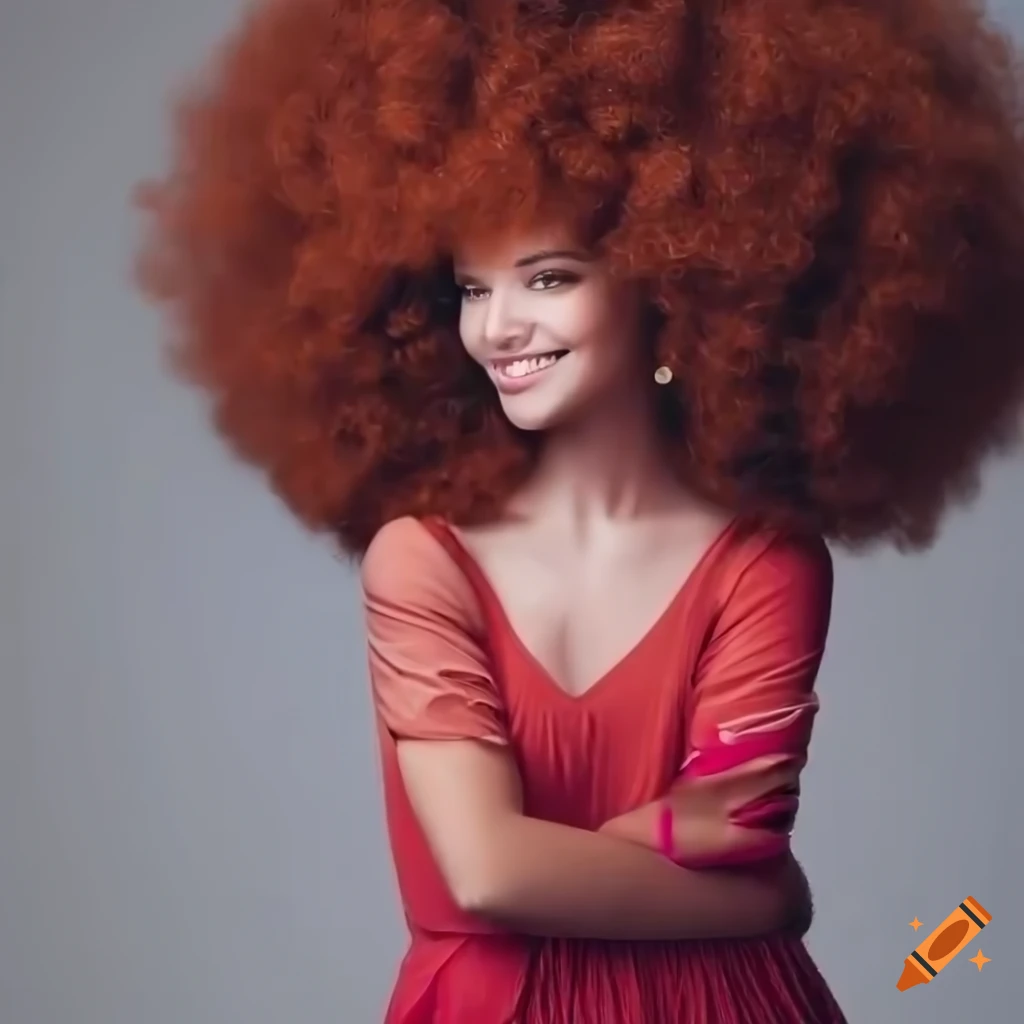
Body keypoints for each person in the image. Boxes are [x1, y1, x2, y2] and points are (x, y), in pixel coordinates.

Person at [135, 0, 1024, 1020]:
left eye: (547, 277)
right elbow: (486, 872)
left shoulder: (767, 563)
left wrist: (705, 870)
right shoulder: (422, 562)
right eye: (472, 288)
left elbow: (727, 825)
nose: (498, 327)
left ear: (673, 289)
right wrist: (763, 900)